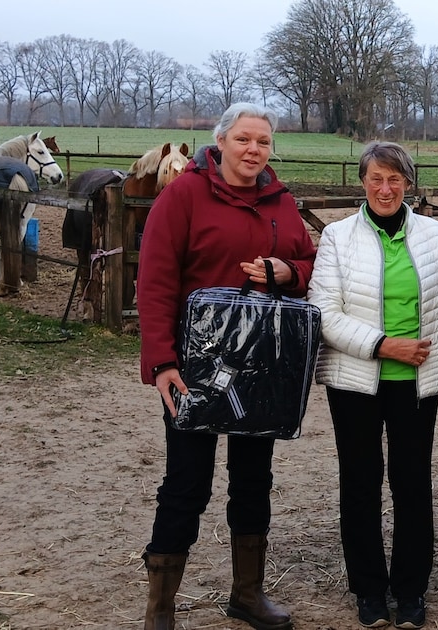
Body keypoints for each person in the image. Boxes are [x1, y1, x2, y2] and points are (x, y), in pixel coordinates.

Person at [136, 102, 317, 630]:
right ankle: (161, 607)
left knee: (253, 479)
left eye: (262, 142)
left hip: (263, 370)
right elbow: (155, 282)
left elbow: (309, 264)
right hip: (195, 368)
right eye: (243, 140)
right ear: (221, 141)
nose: (253, 150)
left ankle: (247, 593)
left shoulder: (282, 202)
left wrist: (287, 270)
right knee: (186, 482)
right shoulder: (184, 196)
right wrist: (161, 363)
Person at [307, 141, 438, 629]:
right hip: (354, 382)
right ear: (363, 183)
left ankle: (410, 589)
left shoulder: (435, 235)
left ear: (408, 183)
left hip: (417, 385)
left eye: (395, 179)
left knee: (412, 484)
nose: (385, 188)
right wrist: (385, 345)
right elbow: (325, 314)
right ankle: (368, 590)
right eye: (376, 179)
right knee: (360, 484)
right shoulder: (339, 237)